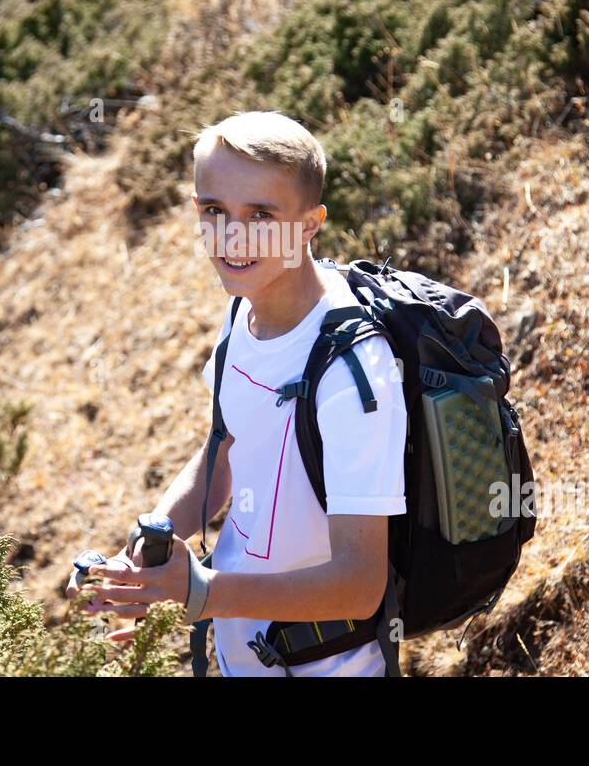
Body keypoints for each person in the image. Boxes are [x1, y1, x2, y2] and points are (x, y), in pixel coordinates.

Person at [64, 110, 407, 676]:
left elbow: (358, 584)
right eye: (213, 210)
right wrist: (143, 555)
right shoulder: (240, 313)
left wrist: (199, 591)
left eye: (261, 215)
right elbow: (223, 457)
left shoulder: (352, 370)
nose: (231, 235)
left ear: (309, 224)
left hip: (329, 663)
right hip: (242, 651)